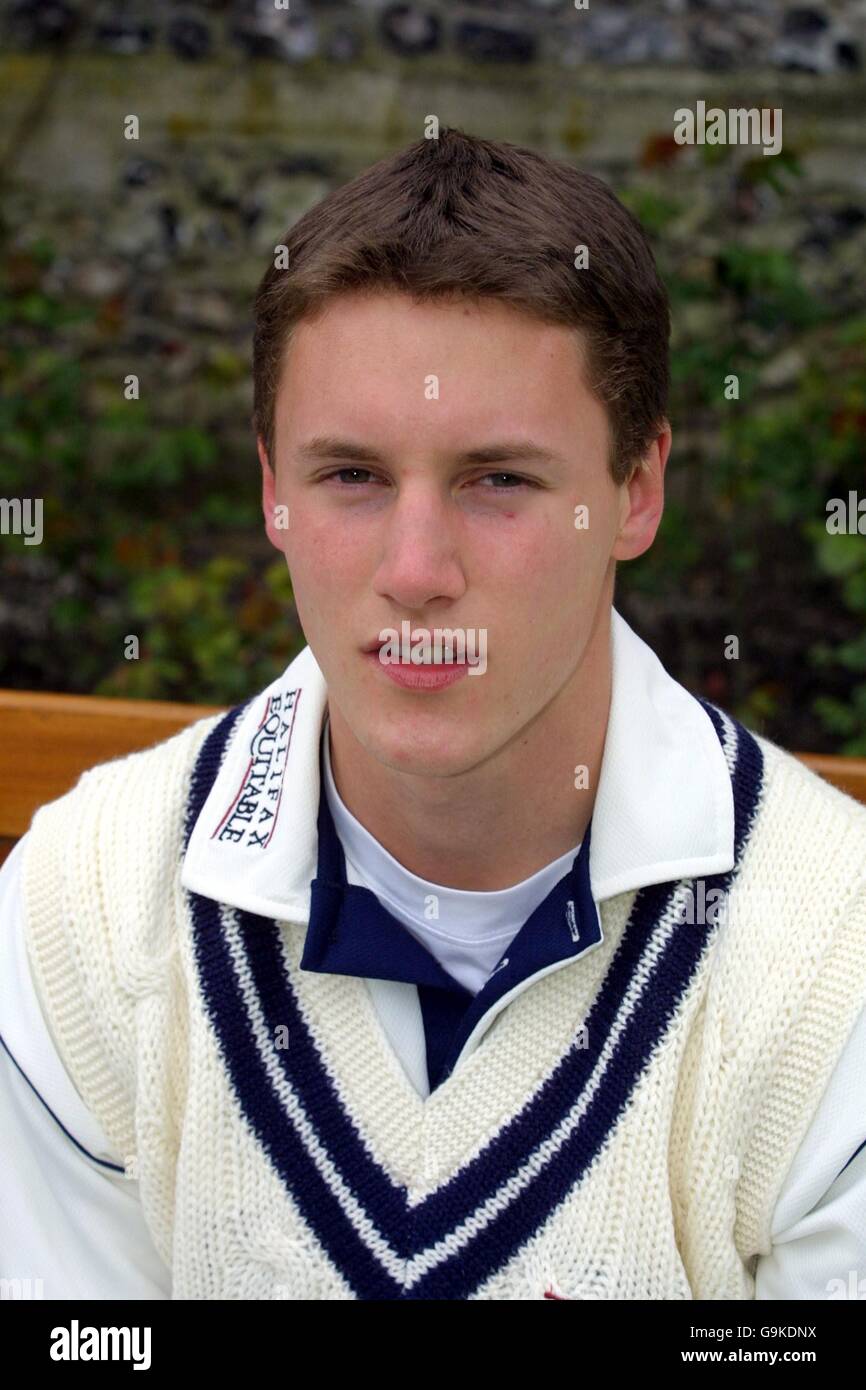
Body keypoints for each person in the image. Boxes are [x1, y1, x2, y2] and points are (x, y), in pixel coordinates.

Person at [2, 127, 865, 1301]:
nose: (415, 568)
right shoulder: (86, 904)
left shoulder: (835, 960)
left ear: (636, 489)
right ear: (272, 491)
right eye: (350, 475)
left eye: (497, 479)